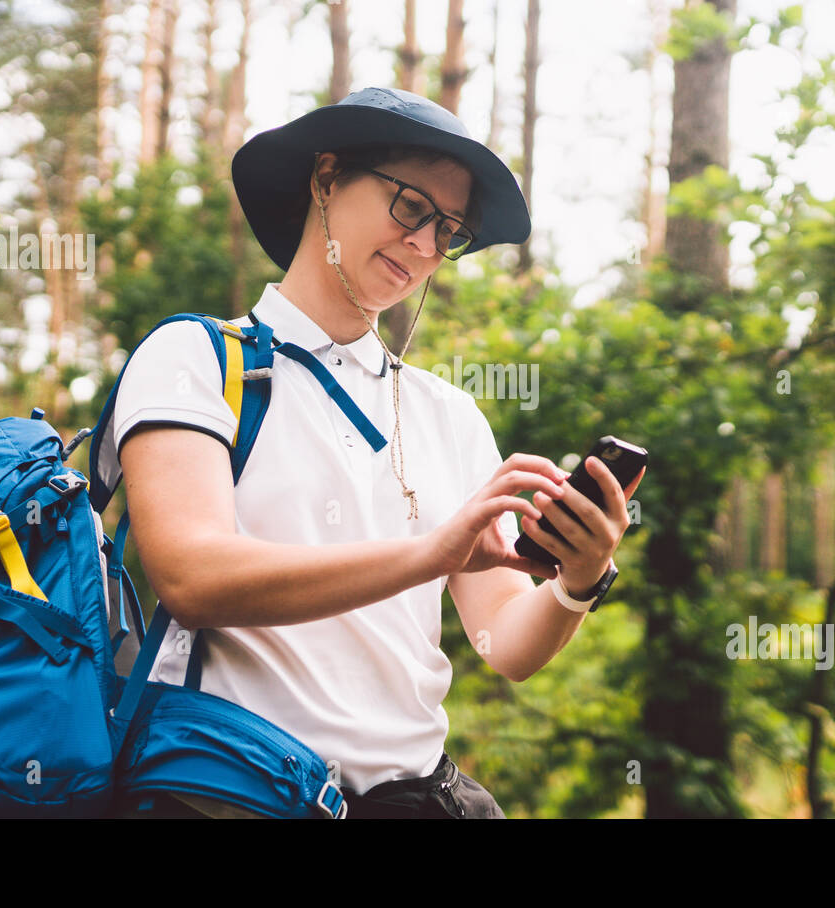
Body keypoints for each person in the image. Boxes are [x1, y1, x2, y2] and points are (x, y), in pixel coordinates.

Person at [101, 86, 645, 818]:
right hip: (234, 793)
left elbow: (505, 644)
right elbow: (192, 577)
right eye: (411, 206)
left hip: (415, 800)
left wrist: (576, 583)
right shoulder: (196, 357)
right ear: (327, 177)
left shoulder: (448, 416)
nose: (425, 246)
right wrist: (432, 549)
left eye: (449, 229)